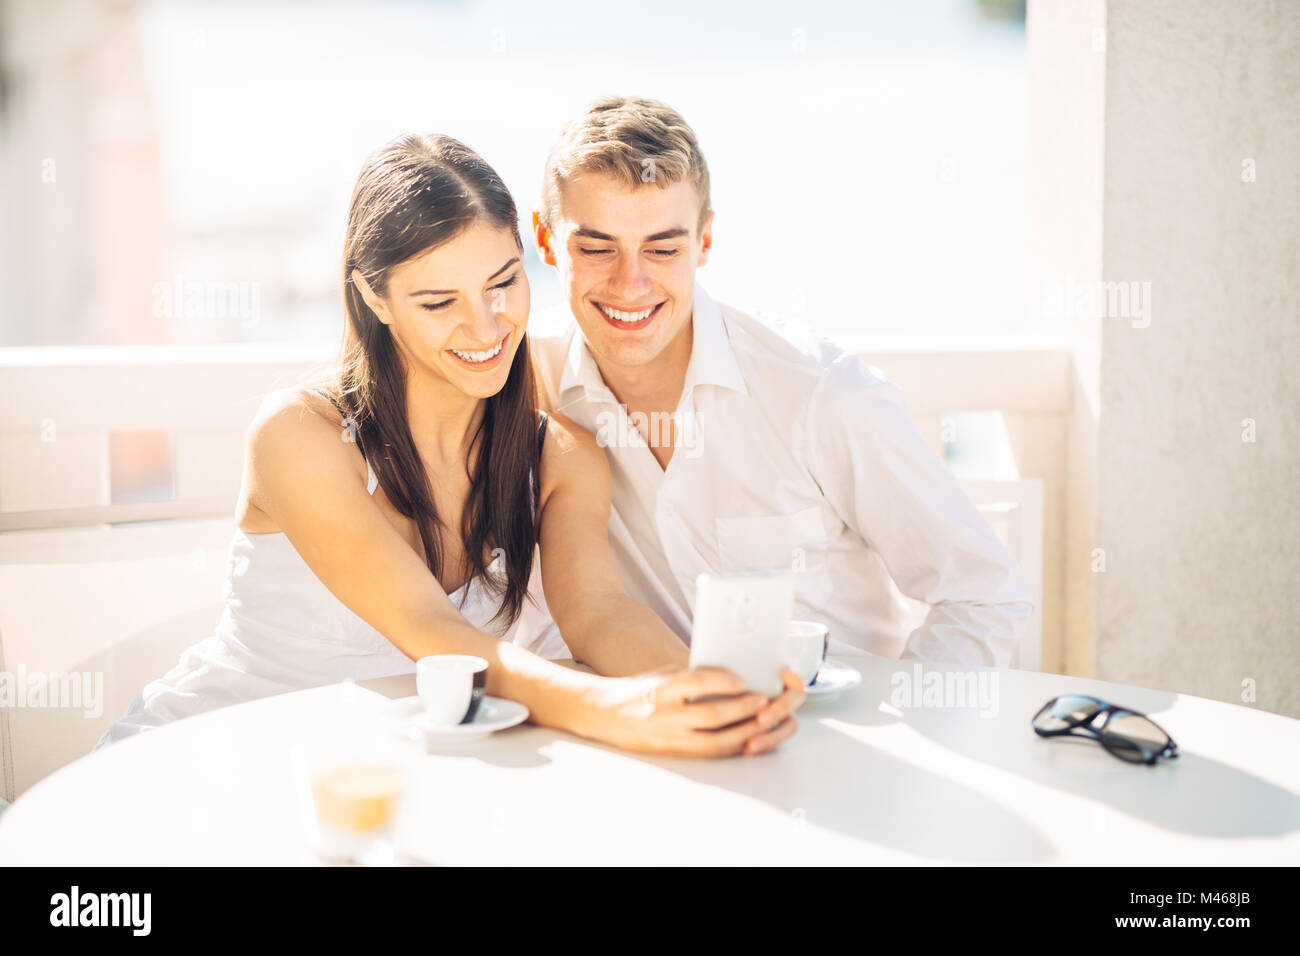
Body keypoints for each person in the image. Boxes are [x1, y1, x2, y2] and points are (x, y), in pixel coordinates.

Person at [97, 133, 803, 758]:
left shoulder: (561, 455)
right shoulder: (300, 437)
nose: (487, 326)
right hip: (215, 755)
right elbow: (434, 632)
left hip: (393, 780)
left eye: (504, 283)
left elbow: (599, 613)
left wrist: (706, 692)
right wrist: (618, 712)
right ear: (373, 299)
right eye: (440, 303)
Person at [530, 96, 1035, 667]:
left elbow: (984, 597)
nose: (630, 282)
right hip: (652, 732)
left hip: (843, 734)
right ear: (546, 241)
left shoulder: (822, 394)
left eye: (663, 248)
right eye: (597, 248)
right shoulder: (525, 382)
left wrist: (896, 732)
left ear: (705, 242)